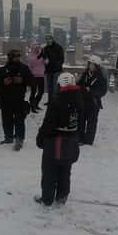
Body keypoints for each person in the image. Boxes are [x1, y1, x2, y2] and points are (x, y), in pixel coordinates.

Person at [35, 72, 86, 207]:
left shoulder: (57, 101)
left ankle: (47, 198)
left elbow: (48, 123)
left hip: (54, 141)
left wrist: (40, 137)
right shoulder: (78, 99)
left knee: (49, 171)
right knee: (65, 169)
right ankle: (62, 195)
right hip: (71, 139)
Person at [0, 49, 34, 150]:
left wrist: (23, 80)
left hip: (19, 99)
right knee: (6, 119)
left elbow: (32, 81)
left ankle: (19, 139)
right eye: (15, 56)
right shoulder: (2, 70)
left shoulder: (24, 68)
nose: (17, 58)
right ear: (10, 57)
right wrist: (3, 81)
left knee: (19, 120)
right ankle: (8, 137)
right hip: (5, 99)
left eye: (18, 56)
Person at [77, 56, 107, 145]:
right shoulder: (85, 74)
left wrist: (92, 91)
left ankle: (88, 140)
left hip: (94, 103)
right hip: (83, 101)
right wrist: (83, 89)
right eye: (90, 64)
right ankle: (80, 139)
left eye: (93, 64)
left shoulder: (101, 77)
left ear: (97, 66)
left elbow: (103, 91)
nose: (91, 66)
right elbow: (78, 85)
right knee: (80, 121)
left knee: (92, 123)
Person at [26, 44, 46, 113]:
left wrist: (45, 57)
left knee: (41, 91)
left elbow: (46, 62)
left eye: (38, 48)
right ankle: (32, 106)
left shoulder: (42, 55)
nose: (37, 49)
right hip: (33, 76)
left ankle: (36, 104)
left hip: (41, 76)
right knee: (33, 92)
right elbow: (33, 62)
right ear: (33, 48)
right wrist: (39, 56)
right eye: (36, 48)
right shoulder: (30, 55)